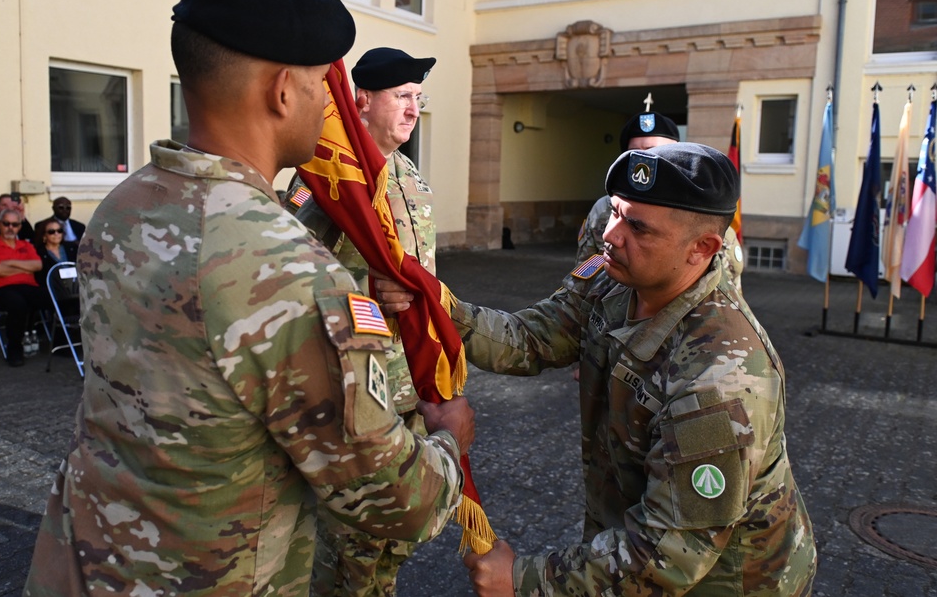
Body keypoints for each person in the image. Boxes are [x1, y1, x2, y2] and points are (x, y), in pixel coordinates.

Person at [23, 0, 474, 596]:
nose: (331, 106)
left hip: (90, 564)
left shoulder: (123, 208)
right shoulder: (285, 268)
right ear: (283, 91)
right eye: (323, 85)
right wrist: (450, 439)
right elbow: (397, 502)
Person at [383, 143, 816, 595]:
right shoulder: (611, 279)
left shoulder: (721, 379)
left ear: (701, 248)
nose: (611, 234)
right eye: (615, 212)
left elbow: (666, 553)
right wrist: (435, 308)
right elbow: (533, 337)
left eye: (637, 227)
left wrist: (522, 581)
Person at [287, 46, 439, 597]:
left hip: (410, 383)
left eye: (418, 97)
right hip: (358, 390)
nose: (414, 108)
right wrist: (368, 293)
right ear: (363, 100)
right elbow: (293, 281)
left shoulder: (409, 175)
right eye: (402, 96)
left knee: (397, 531)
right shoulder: (329, 178)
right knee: (351, 545)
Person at [576, 111, 745, 287]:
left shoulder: (705, 220)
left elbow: (725, 287)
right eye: (634, 152)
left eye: (654, 151)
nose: (643, 163)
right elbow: (586, 272)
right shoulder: (602, 208)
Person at [0, 208, 42, 366]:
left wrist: (10, 263)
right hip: (1, 290)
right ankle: (14, 348)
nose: (10, 228)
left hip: (27, 287)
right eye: (6, 223)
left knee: (54, 298)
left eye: (15, 224)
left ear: (19, 227)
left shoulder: (26, 245)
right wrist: (24, 268)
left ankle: (64, 341)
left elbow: (37, 265)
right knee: (17, 303)